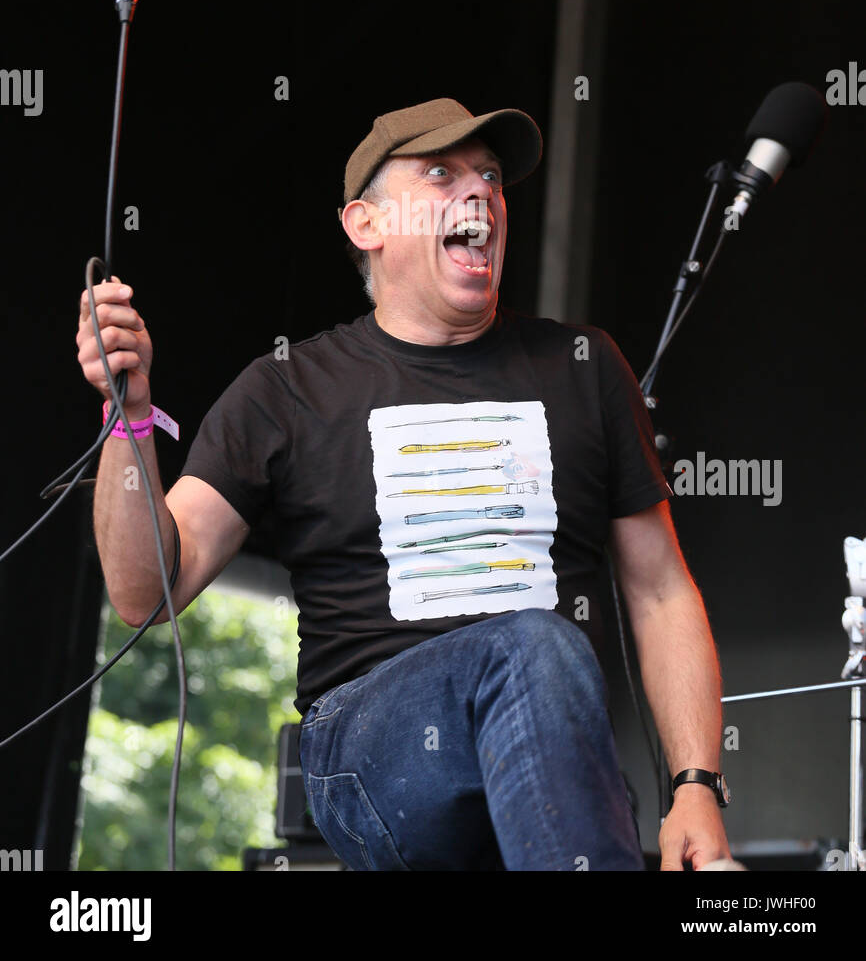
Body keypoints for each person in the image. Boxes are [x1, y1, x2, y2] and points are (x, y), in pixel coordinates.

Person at [77, 97, 733, 871]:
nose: (481, 191)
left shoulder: (583, 367)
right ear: (366, 226)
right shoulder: (289, 388)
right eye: (441, 173)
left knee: (537, 666)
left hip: (547, 762)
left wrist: (695, 785)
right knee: (531, 644)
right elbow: (144, 592)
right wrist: (131, 419)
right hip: (370, 754)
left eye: (490, 175)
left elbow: (661, 592)